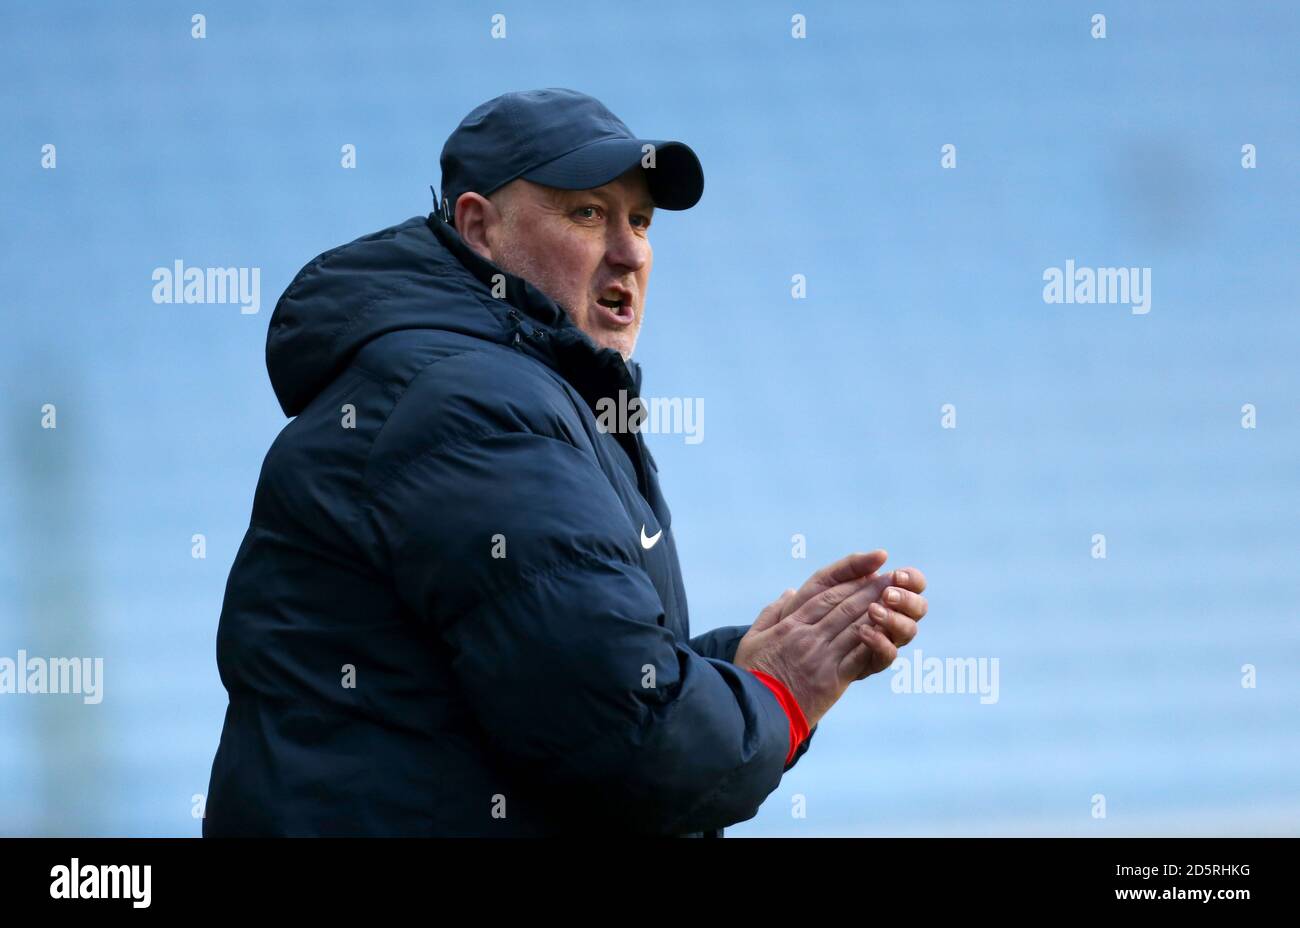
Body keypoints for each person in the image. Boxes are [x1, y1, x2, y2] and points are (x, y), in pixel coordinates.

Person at [201, 88, 929, 837]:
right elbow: (627, 737)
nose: (632, 251)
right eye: (588, 214)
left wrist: (738, 665)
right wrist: (781, 691)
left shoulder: (504, 388)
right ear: (478, 227)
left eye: (640, 221)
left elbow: (536, 685)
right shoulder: (473, 405)